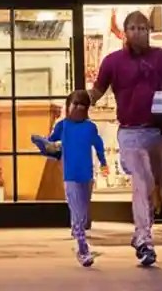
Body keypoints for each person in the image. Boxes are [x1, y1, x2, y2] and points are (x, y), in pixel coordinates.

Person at [89, 10, 162, 267]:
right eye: (133, 28)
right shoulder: (112, 61)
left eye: (143, 28)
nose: (139, 32)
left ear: (149, 31)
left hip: (159, 132)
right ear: (125, 32)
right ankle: (144, 241)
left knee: (156, 190)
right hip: (130, 133)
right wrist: (78, 103)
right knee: (142, 180)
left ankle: (141, 232)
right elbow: (96, 92)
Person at [33, 90, 108, 267]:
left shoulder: (90, 127)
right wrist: (41, 143)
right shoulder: (63, 126)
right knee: (76, 210)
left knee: (81, 213)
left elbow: (98, 145)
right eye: (75, 105)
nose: (78, 109)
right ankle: (83, 249)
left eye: (82, 106)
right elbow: (50, 143)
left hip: (87, 176)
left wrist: (104, 163)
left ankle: (78, 232)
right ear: (68, 106)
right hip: (70, 176)